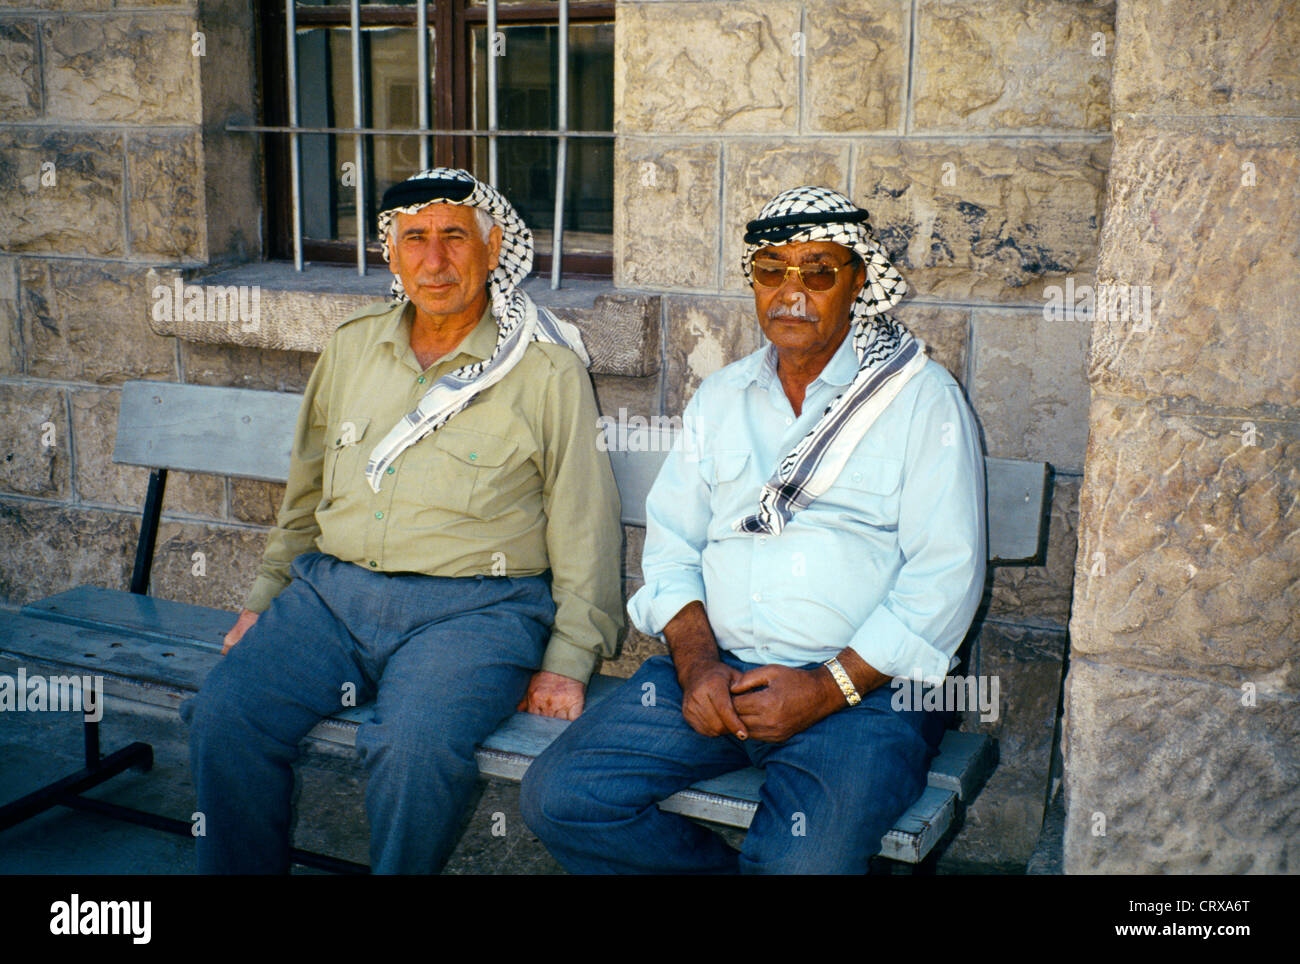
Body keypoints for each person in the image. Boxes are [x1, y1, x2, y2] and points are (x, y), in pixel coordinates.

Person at [521, 185, 986, 873]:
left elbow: (944, 580)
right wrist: (699, 664)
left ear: (858, 282)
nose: (790, 293)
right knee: (562, 797)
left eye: (818, 272)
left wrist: (826, 689)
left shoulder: (921, 400)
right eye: (772, 270)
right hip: (719, 676)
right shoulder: (722, 395)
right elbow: (673, 548)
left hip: (864, 694)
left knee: (804, 862)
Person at [181, 168, 623, 874]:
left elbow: (585, 521)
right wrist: (264, 598)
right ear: (389, 253)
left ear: (493, 244)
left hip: (477, 612)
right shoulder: (353, 347)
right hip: (331, 598)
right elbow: (306, 492)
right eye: (414, 238)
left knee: (412, 748)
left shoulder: (545, 371)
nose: (435, 259)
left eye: (454, 236)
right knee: (225, 715)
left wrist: (570, 659)